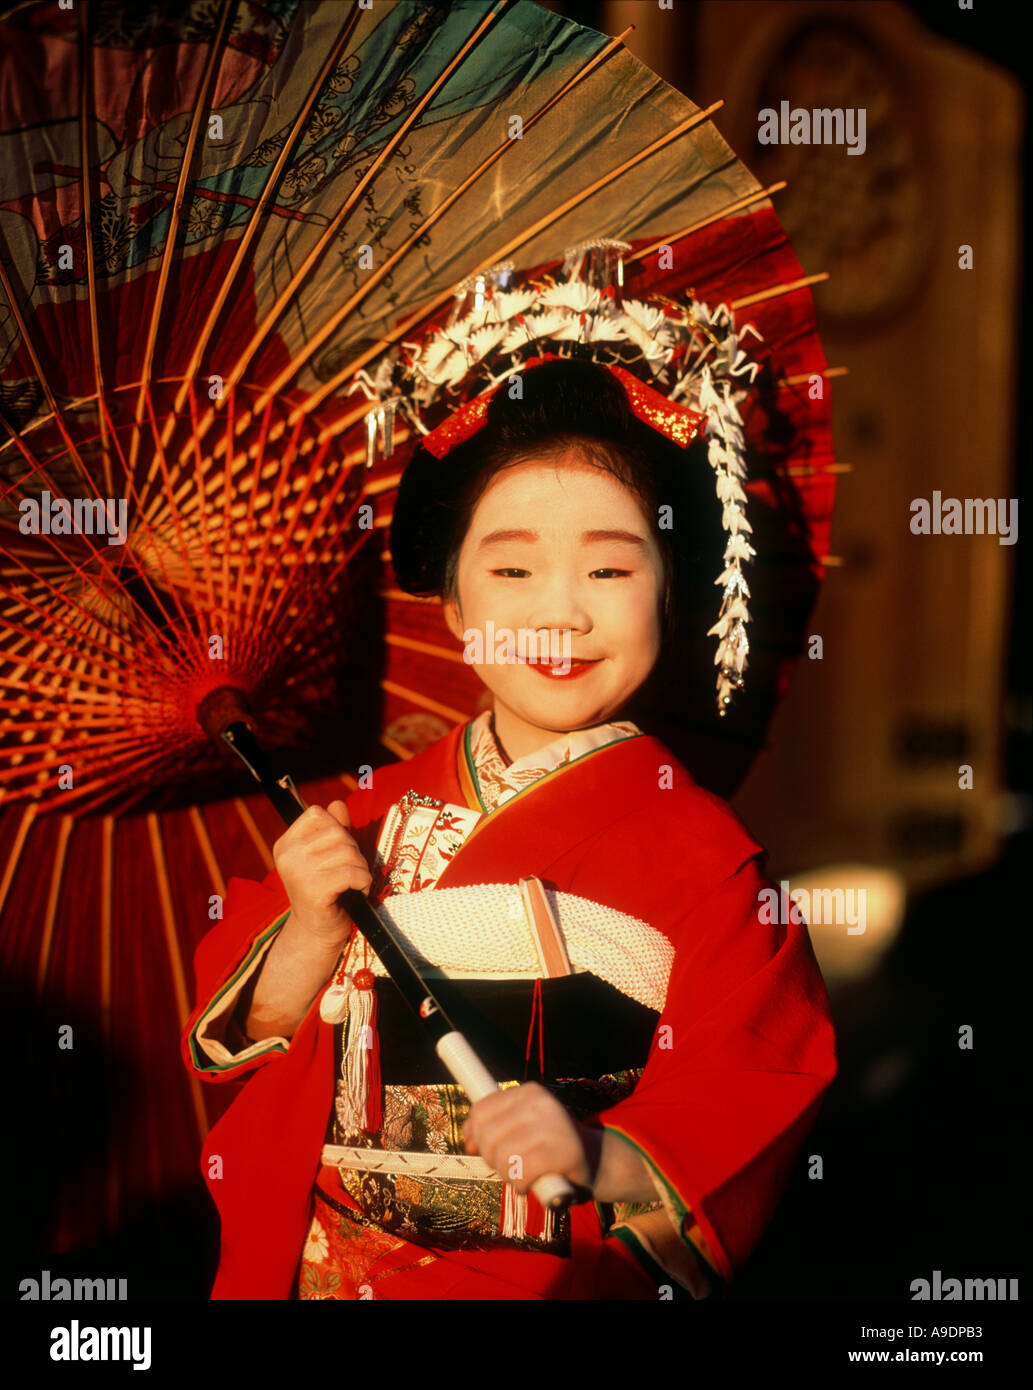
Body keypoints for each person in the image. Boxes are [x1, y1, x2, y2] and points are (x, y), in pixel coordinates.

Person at [182, 354, 837, 1301]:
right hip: (319, 1272)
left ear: (670, 595)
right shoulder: (359, 813)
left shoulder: (709, 860)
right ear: (454, 606)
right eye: (513, 567)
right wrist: (310, 932)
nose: (558, 612)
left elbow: (758, 1076)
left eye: (610, 567)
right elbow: (250, 1034)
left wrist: (603, 1154)